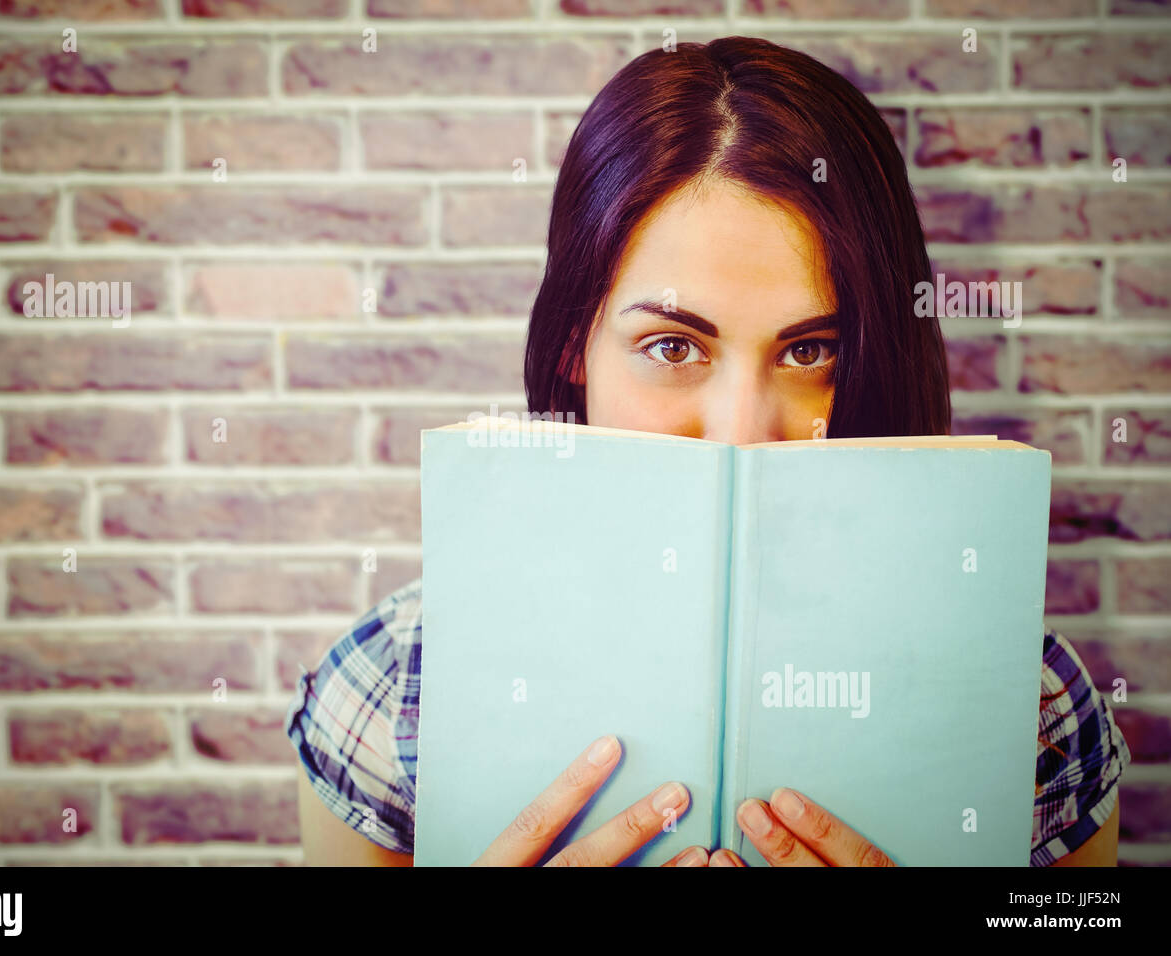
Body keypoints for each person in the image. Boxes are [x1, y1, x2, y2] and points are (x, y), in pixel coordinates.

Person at [283, 36, 1131, 867]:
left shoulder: (1033, 706)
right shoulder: (394, 682)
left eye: (810, 352)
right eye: (672, 347)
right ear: (576, 342)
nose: (739, 434)